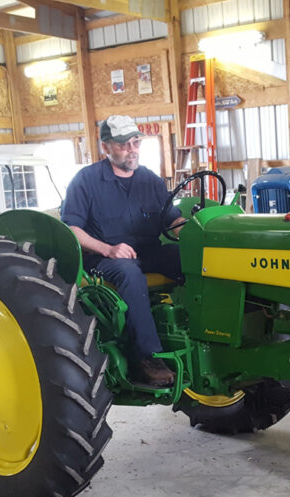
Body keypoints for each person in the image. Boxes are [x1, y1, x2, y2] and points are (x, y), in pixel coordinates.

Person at [62, 115, 185, 387]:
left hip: (147, 252)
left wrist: (191, 235)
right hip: (102, 260)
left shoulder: (150, 180)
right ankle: (147, 358)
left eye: (136, 142)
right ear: (106, 148)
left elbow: (173, 219)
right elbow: (72, 229)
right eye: (123, 145)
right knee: (129, 273)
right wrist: (108, 249)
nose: (132, 149)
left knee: (188, 259)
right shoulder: (86, 181)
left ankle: (203, 334)